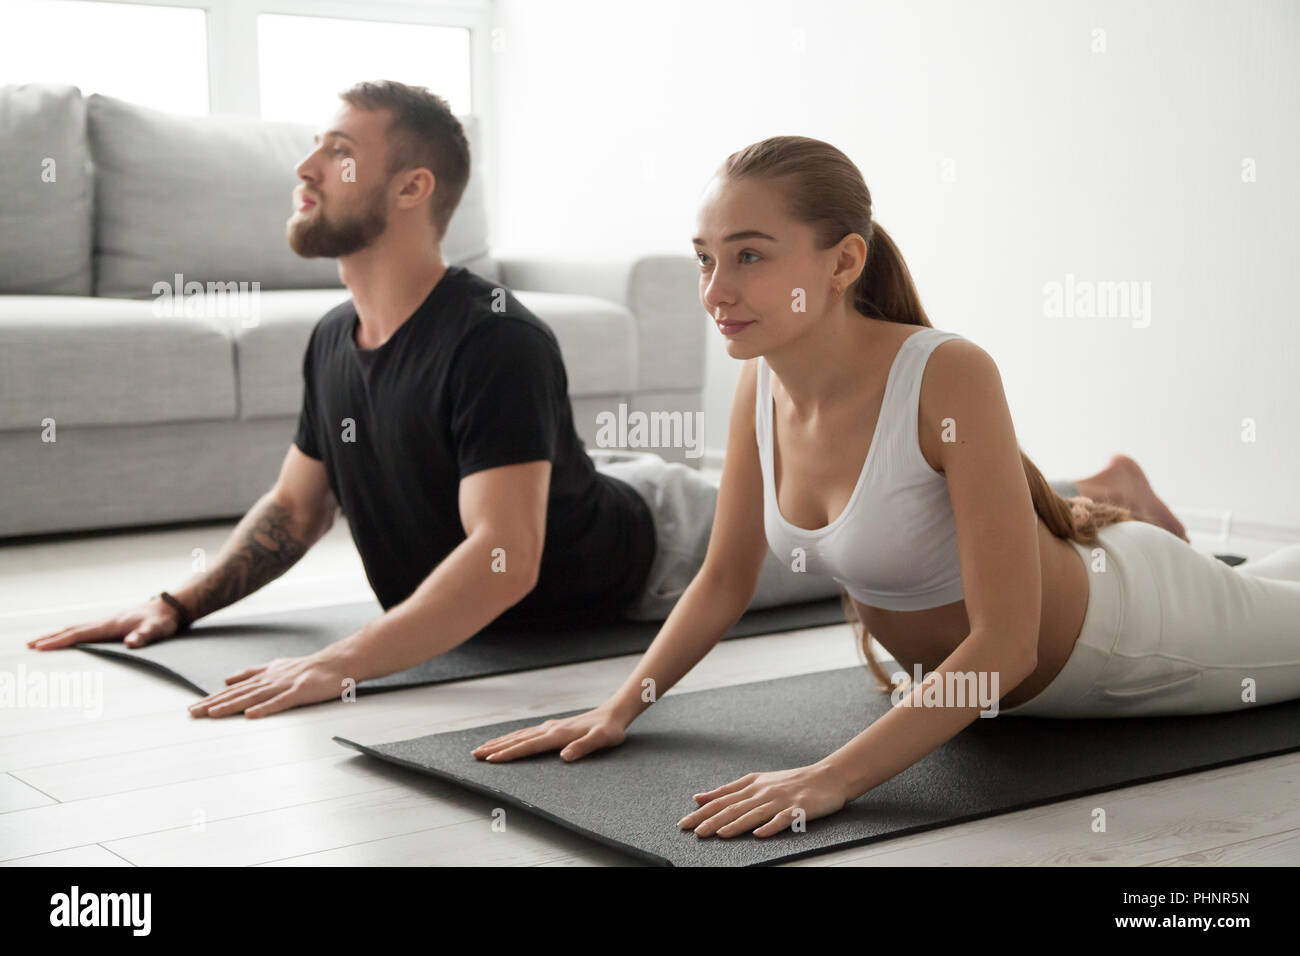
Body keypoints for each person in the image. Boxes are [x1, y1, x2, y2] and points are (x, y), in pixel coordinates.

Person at [26, 82, 1185, 720]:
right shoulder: (335, 337)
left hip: (655, 547)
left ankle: (1091, 495)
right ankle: (1094, 490)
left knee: (868, 526)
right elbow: (291, 513)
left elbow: (504, 559)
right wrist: (175, 605)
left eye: (332, 150)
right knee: (879, 509)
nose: (303, 167)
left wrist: (349, 659)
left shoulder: (493, 340)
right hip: (613, 499)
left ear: (412, 186)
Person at [471, 134, 1300, 842]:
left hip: (1130, 638)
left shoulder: (946, 372)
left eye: (750, 256)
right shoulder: (761, 384)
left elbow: (1007, 646)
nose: (715, 291)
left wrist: (832, 778)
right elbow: (723, 579)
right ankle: (1119, 499)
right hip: (1037, 644)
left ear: (844, 263)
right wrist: (621, 706)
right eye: (705, 260)